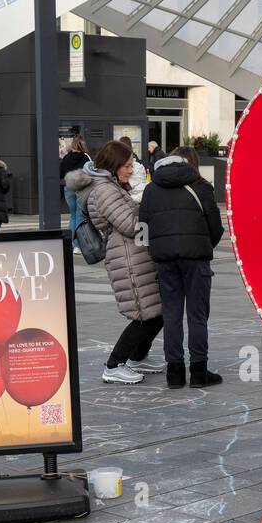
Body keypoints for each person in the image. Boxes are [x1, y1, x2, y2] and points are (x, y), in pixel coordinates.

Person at [69, 140, 165, 384]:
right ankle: (113, 365)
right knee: (144, 314)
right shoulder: (104, 190)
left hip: (132, 254)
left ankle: (137, 357)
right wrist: (152, 212)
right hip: (127, 258)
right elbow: (130, 225)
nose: (131, 170)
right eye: (127, 166)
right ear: (114, 165)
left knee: (155, 312)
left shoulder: (109, 185)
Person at [138, 146, 224, 389]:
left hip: (165, 260)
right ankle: (199, 370)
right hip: (196, 258)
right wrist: (203, 245)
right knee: (197, 313)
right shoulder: (201, 186)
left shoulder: (151, 189)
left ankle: (174, 372)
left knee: (171, 313)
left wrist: (158, 249)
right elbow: (215, 227)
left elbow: (142, 228)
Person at [59, 135, 90, 240]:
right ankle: (78, 244)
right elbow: (90, 173)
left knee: (72, 216)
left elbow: (61, 173)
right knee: (80, 216)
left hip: (69, 188)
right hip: (81, 189)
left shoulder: (66, 158)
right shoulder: (86, 157)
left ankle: (71, 242)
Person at [119, 136, 148, 201]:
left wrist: (128, 199)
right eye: (126, 166)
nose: (130, 171)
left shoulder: (137, 166)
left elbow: (142, 190)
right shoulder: (137, 163)